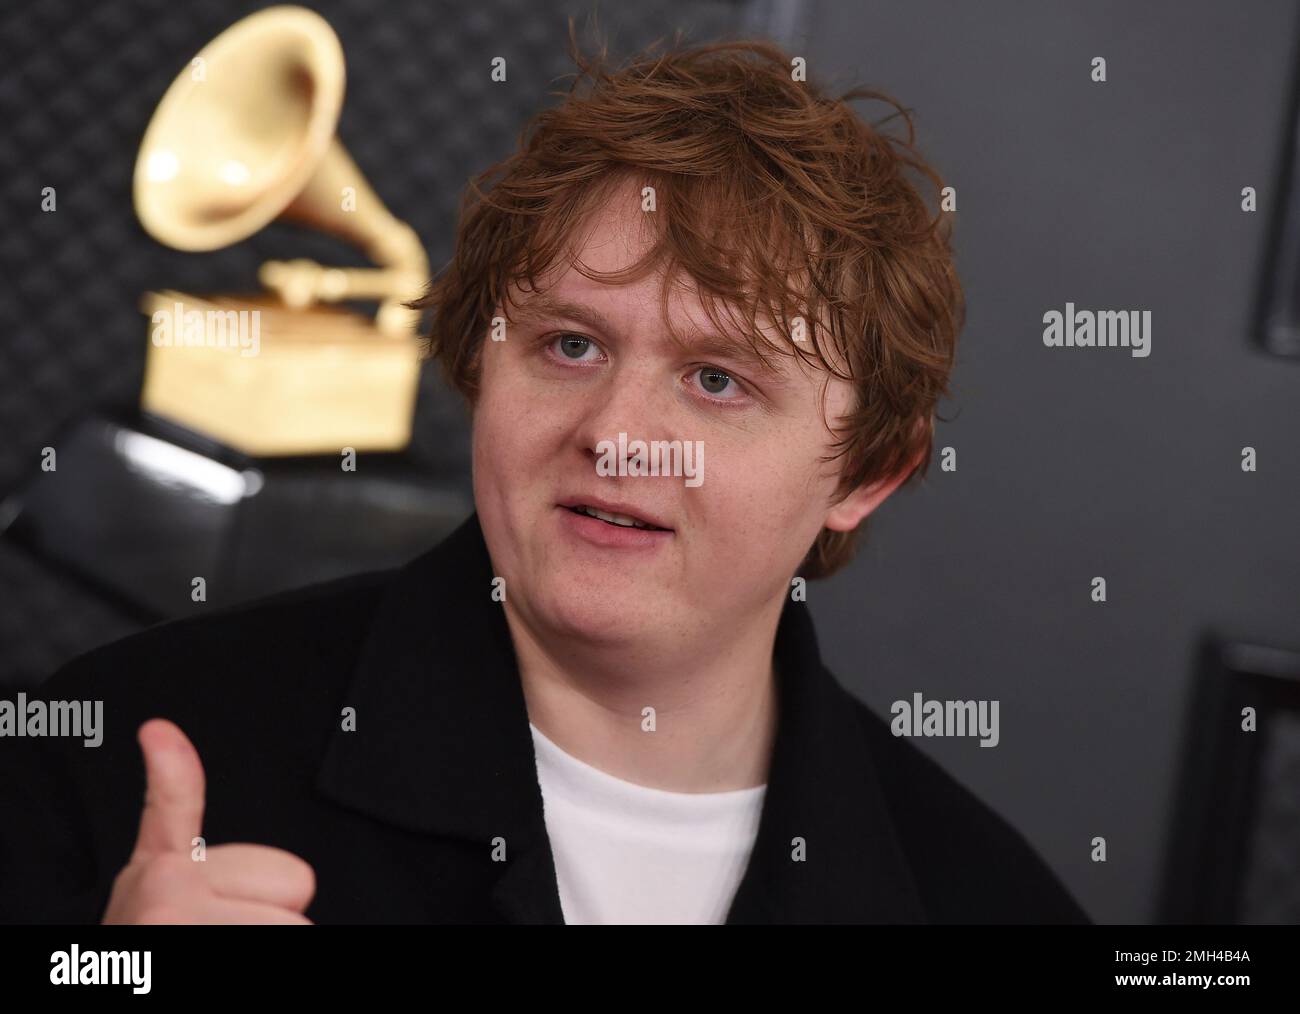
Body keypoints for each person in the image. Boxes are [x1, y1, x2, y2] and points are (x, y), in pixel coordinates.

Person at [0, 33, 1088, 925]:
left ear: (865, 474)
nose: (615, 435)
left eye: (717, 379)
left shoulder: (987, 897)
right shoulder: (118, 742)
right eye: (569, 345)